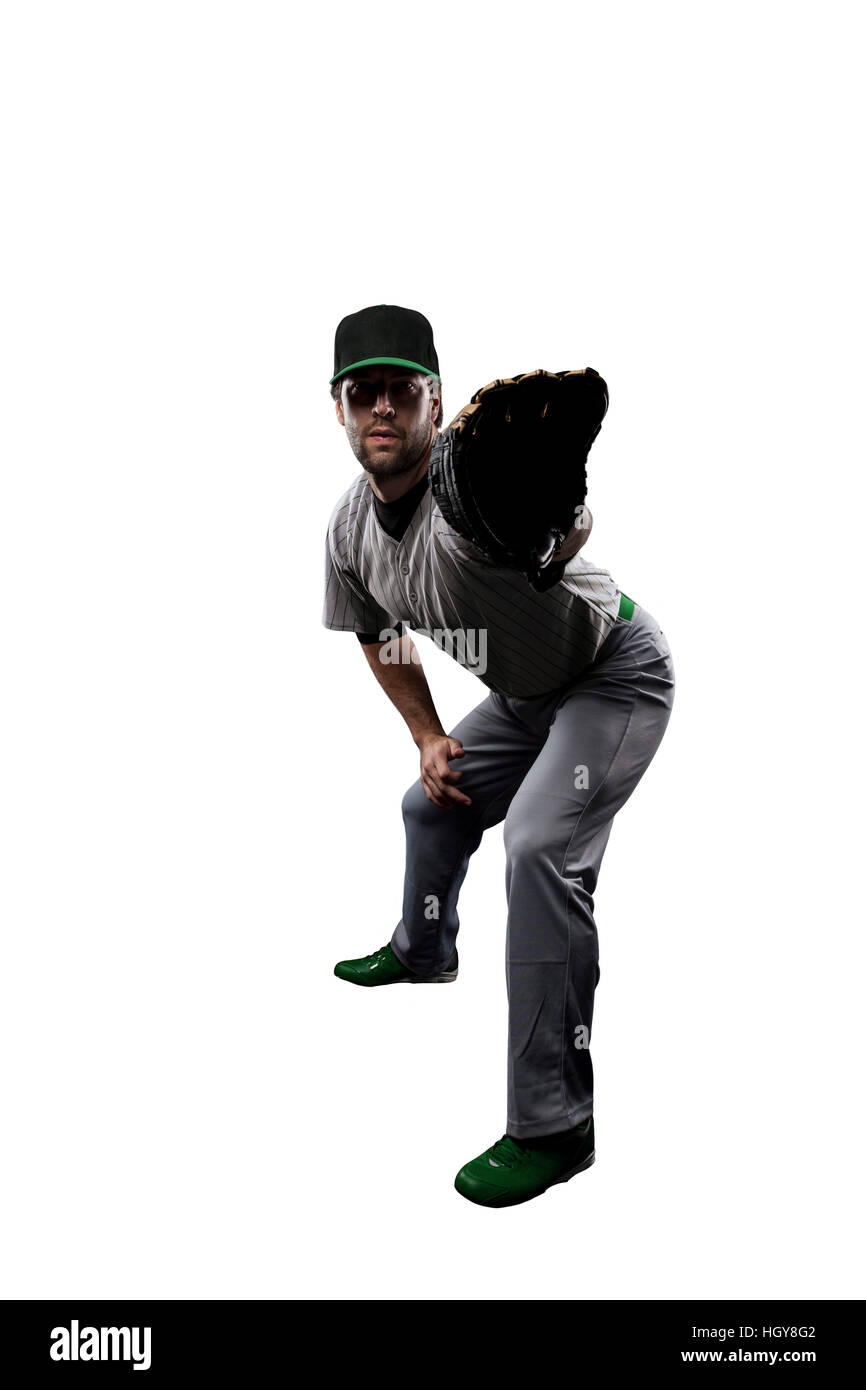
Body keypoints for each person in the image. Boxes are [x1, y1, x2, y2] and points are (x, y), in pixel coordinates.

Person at [322, 303, 675, 1207]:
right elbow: (378, 635)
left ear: (435, 403)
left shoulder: (472, 491)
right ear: (340, 410)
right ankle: (425, 945)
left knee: (539, 848)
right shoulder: (347, 533)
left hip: (613, 674)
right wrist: (430, 736)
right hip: (525, 696)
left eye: (405, 390)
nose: (384, 409)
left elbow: (560, 521)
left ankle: (556, 1127)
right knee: (425, 802)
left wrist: (550, 527)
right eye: (365, 393)